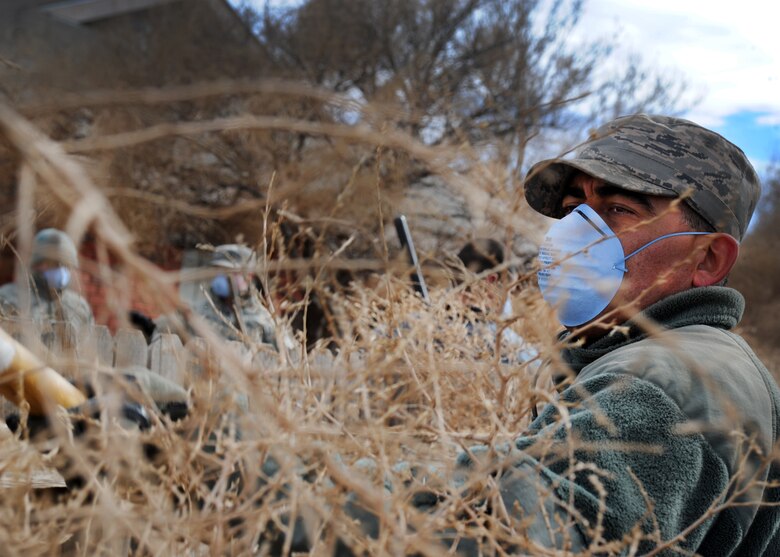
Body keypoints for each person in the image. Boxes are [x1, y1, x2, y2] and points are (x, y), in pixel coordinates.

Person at [262, 114, 780, 555]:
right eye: (577, 209)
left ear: (706, 259)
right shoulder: (652, 356)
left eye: (619, 210)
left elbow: (502, 535)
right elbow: (518, 482)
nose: (577, 234)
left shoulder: (668, 379)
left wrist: (269, 492)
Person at [154, 244, 290, 352]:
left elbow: (289, 358)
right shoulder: (197, 313)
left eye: (229, 272)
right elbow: (162, 334)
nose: (221, 276)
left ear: (248, 276)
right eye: (217, 270)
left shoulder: (266, 322)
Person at [0, 228, 94, 337]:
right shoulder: (8, 298)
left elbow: (89, 348)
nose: (61, 269)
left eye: (66, 265)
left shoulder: (79, 307)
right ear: (36, 264)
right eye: (54, 263)